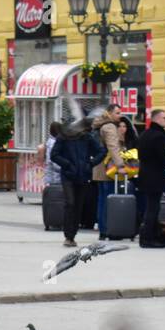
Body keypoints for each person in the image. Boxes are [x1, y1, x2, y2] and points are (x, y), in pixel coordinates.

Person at [49, 114, 105, 248]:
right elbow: (54, 155)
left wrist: (91, 163)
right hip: (68, 175)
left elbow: (101, 151)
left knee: (78, 205)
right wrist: (67, 164)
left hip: (83, 175)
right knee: (70, 203)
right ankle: (68, 236)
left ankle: (72, 235)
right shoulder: (63, 137)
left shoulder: (86, 138)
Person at [136, 109, 165, 248]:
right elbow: (163, 157)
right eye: (164, 118)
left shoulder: (144, 134)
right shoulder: (159, 136)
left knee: (150, 207)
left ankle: (147, 236)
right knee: (153, 208)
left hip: (144, 175)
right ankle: (148, 238)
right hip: (155, 176)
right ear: (157, 119)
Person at [92, 104, 128, 235]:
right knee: (108, 200)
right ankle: (108, 229)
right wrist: (120, 166)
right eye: (117, 113)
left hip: (98, 167)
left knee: (102, 199)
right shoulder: (110, 126)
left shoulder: (99, 124)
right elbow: (113, 147)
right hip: (109, 168)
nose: (120, 115)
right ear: (109, 113)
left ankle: (103, 229)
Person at [38, 120, 64, 190]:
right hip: (55, 178)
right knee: (56, 197)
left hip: (52, 176)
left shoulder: (50, 141)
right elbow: (54, 161)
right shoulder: (53, 143)